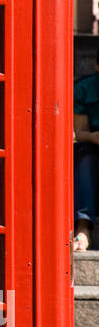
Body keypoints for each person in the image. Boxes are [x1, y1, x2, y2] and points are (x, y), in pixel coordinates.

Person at [74, 45, 99, 249]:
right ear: (96, 66)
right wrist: (94, 137)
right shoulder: (83, 88)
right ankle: (83, 228)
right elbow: (80, 133)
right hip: (93, 144)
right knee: (85, 159)